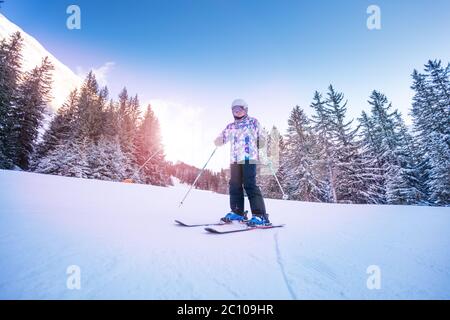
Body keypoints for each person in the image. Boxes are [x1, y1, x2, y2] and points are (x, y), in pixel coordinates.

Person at [214, 98, 270, 226]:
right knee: (234, 184)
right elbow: (223, 136)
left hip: (249, 157)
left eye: (239, 109)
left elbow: (262, 135)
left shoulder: (253, 122)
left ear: (245, 109)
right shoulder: (231, 126)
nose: (237, 112)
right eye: (234, 110)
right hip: (234, 159)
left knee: (250, 184)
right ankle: (237, 212)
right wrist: (219, 140)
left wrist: (261, 140)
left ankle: (260, 215)